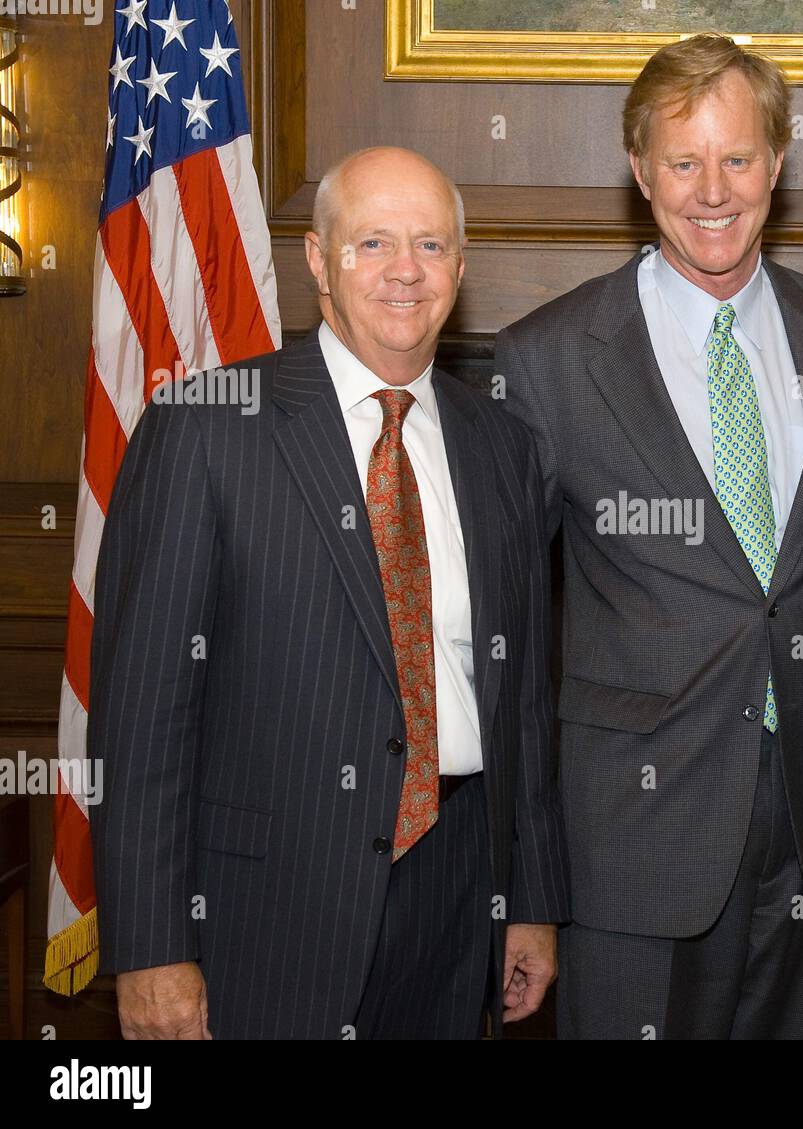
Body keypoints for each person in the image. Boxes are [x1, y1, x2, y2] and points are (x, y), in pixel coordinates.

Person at [89, 147, 568, 1039]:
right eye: (373, 242)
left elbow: (524, 704)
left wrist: (530, 896)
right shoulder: (205, 427)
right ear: (317, 260)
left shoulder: (501, 445)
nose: (404, 271)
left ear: (460, 269)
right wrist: (150, 947)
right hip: (266, 910)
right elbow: (141, 716)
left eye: (430, 245)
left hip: (461, 889)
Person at [496, 34, 803, 1039]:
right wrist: (520, 880)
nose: (711, 190)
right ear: (638, 170)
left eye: (738, 157)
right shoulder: (546, 360)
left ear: (778, 163)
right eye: (682, 161)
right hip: (630, 843)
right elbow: (505, 642)